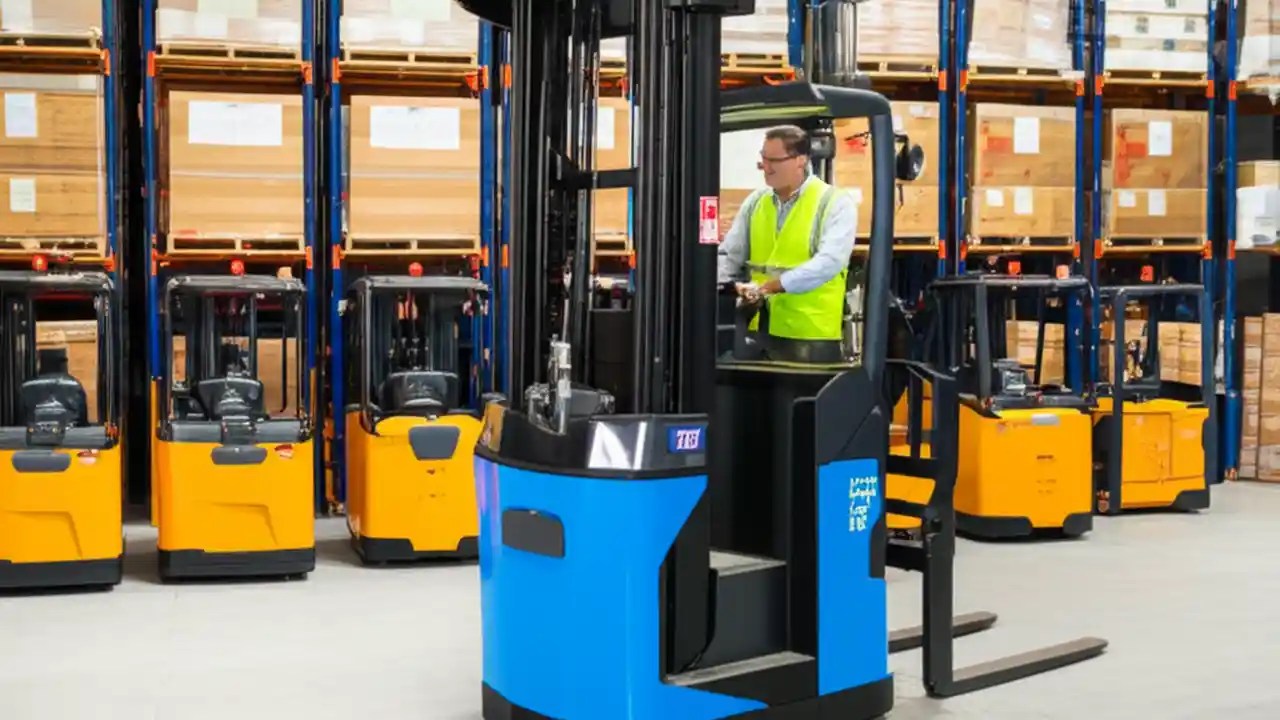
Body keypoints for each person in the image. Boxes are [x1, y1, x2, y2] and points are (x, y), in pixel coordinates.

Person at [717, 125, 857, 363]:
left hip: (809, 337)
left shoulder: (834, 203)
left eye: (774, 160)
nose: (766, 167)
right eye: (763, 159)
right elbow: (730, 254)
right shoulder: (756, 202)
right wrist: (729, 285)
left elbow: (829, 262)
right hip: (759, 331)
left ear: (800, 160)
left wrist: (775, 285)